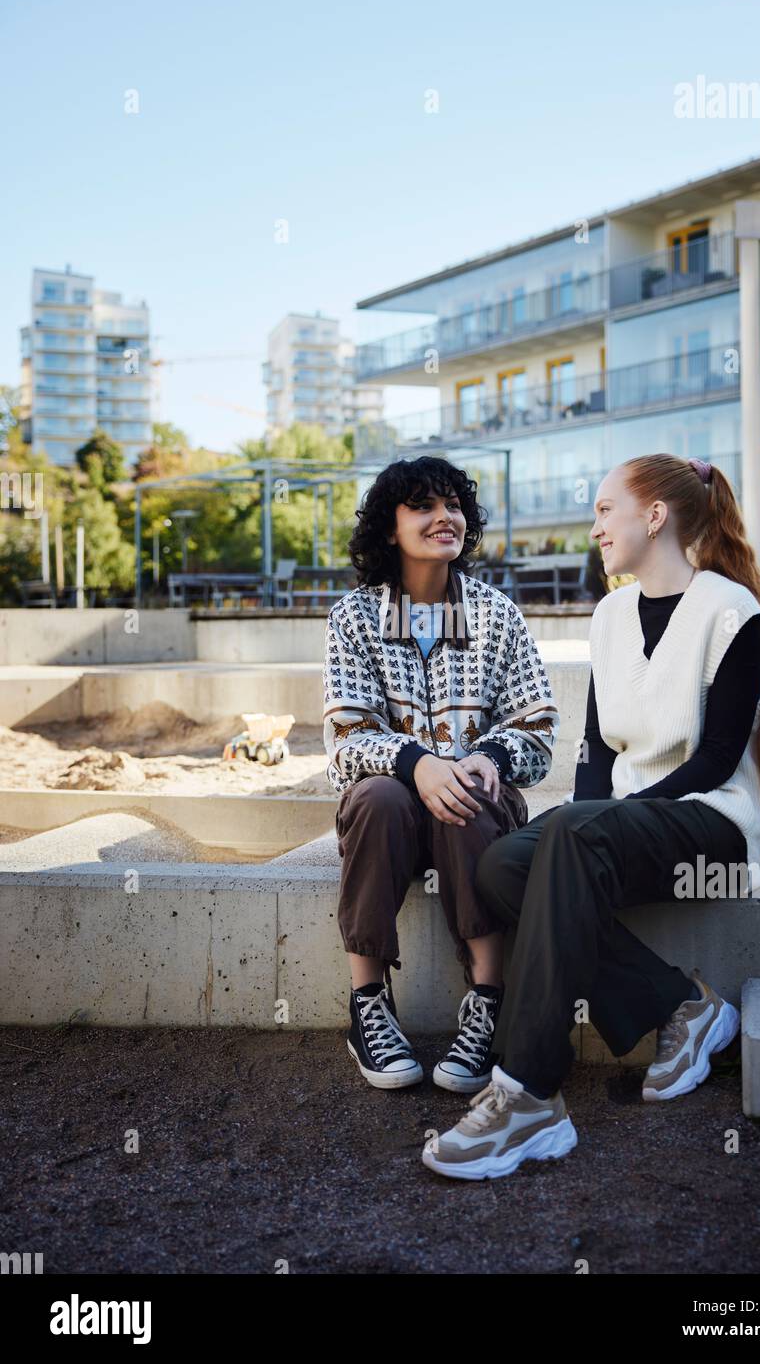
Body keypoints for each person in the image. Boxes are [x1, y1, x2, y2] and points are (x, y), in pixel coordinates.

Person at [423, 452, 760, 1181]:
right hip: (622, 830)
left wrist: (594, 825)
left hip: (710, 826)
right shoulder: (608, 616)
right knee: (501, 863)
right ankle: (682, 1005)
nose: (594, 527)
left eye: (605, 510)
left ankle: (527, 1094)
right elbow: (593, 756)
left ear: (654, 516)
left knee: (571, 835)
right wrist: (581, 823)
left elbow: (713, 760)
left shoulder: (729, 610)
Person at [323, 456, 559, 1094]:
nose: (443, 517)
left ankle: (487, 999)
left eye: (453, 504)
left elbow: (539, 728)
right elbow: (346, 739)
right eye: (423, 506)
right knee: (373, 795)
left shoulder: (495, 613)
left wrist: (490, 759)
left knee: (469, 789)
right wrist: (416, 763)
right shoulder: (354, 618)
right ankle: (369, 1003)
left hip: (474, 814)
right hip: (392, 807)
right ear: (389, 527)